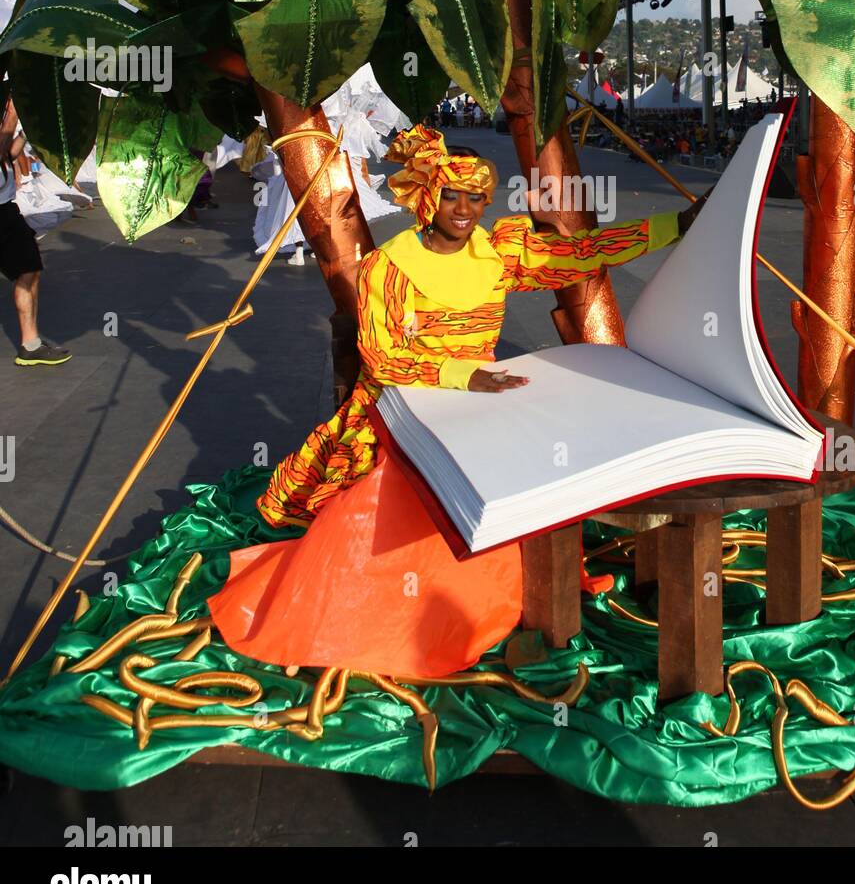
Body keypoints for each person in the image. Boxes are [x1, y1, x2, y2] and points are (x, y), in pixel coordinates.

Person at [207, 123, 708, 678]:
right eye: (453, 195)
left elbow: (582, 254)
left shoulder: (497, 252)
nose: (466, 208)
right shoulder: (390, 266)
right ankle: (392, 620)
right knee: (393, 510)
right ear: (429, 195)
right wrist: (464, 375)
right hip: (399, 410)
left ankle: (508, 601)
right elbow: (381, 358)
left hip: (477, 406)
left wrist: (675, 227)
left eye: (477, 197)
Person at [0, 92, 71, 366]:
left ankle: (30, 344)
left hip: (6, 210)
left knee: (29, 268)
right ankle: (30, 344)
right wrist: (15, 112)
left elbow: (9, 154)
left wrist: (27, 129)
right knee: (28, 269)